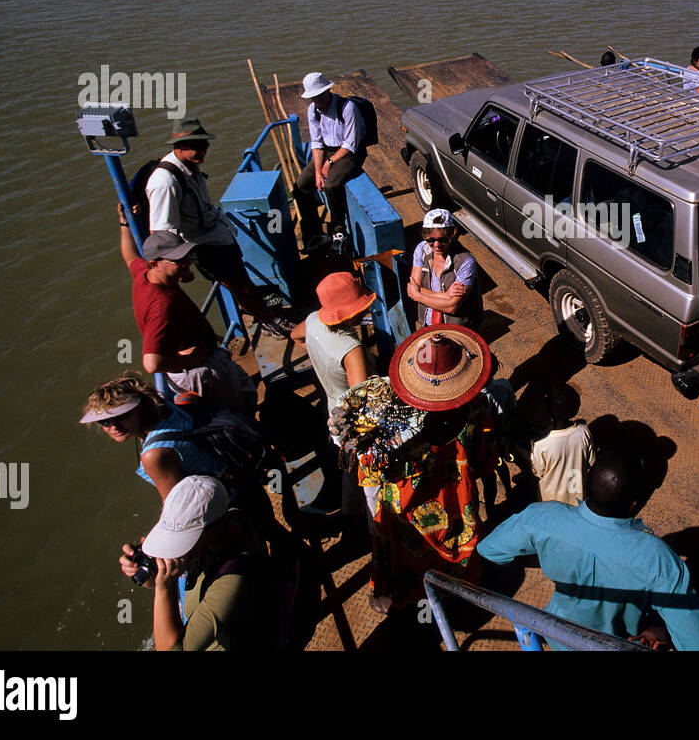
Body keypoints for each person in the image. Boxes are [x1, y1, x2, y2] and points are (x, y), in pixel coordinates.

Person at [338, 325, 511, 613]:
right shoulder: (477, 412)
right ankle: (452, 601)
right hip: (456, 500)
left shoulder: (384, 420)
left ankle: (418, 605)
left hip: (403, 510)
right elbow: (484, 463)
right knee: (455, 550)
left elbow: (368, 470)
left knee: (410, 558)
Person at [479, 453, 699, 650]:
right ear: (634, 504)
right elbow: (697, 644)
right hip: (615, 643)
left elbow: (490, 550)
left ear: (587, 481)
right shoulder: (660, 563)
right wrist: (664, 633)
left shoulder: (541, 517)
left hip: (558, 633)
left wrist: (549, 555)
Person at [146, 118, 291, 336]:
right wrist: (182, 267)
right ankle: (274, 324)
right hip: (204, 246)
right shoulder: (165, 182)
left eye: (205, 145)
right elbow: (161, 233)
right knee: (240, 287)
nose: (204, 150)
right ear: (179, 147)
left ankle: (268, 317)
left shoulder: (190, 166)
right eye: (197, 146)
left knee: (243, 282)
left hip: (219, 236)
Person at [117, 204, 256, 411]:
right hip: (199, 372)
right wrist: (191, 359)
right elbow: (152, 364)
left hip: (202, 362)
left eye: (185, 256)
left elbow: (129, 255)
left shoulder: (143, 272)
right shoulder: (161, 306)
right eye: (176, 260)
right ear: (155, 263)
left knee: (244, 395)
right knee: (235, 413)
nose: (185, 263)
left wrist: (124, 223)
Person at [120, 475, 280, 651]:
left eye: (183, 540)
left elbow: (171, 649)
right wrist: (148, 566)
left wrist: (165, 588)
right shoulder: (232, 520)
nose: (175, 552)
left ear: (215, 527)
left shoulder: (233, 581)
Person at [290, 271, 376, 543]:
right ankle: (375, 534)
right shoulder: (351, 350)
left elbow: (295, 336)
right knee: (369, 481)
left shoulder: (314, 320)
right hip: (354, 425)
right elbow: (361, 400)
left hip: (333, 412)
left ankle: (351, 515)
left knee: (348, 471)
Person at [81, 370, 229, 500]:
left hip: (227, 492)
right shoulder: (166, 409)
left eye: (121, 417)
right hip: (230, 465)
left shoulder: (153, 455)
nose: (114, 427)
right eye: (105, 422)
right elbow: (189, 397)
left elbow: (175, 506)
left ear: (140, 408)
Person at [291, 72, 364, 246]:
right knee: (300, 186)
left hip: (349, 153)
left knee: (332, 184)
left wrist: (329, 163)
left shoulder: (347, 108)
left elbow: (351, 144)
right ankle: (312, 231)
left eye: (321, 96)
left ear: (329, 90)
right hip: (328, 151)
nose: (318, 101)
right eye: (314, 98)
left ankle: (338, 229)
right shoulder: (313, 110)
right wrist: (318, 170)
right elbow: (317, 143)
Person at [407, 209, 483, 330]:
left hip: (456, 329)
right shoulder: (421, 249)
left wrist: (418, 296)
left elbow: (451, 307)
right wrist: (446, 295)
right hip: (428, 324)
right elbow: (411, 288)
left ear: (451, 235)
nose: (436, 245)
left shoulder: (466, 261)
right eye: (431, 240)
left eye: (442, 239)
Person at [530, 384, 595, 507]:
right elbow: (591, 463)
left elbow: (537, 472)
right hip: (578, 503)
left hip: (550, 503)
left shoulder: (541, 443)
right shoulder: (584, 432)